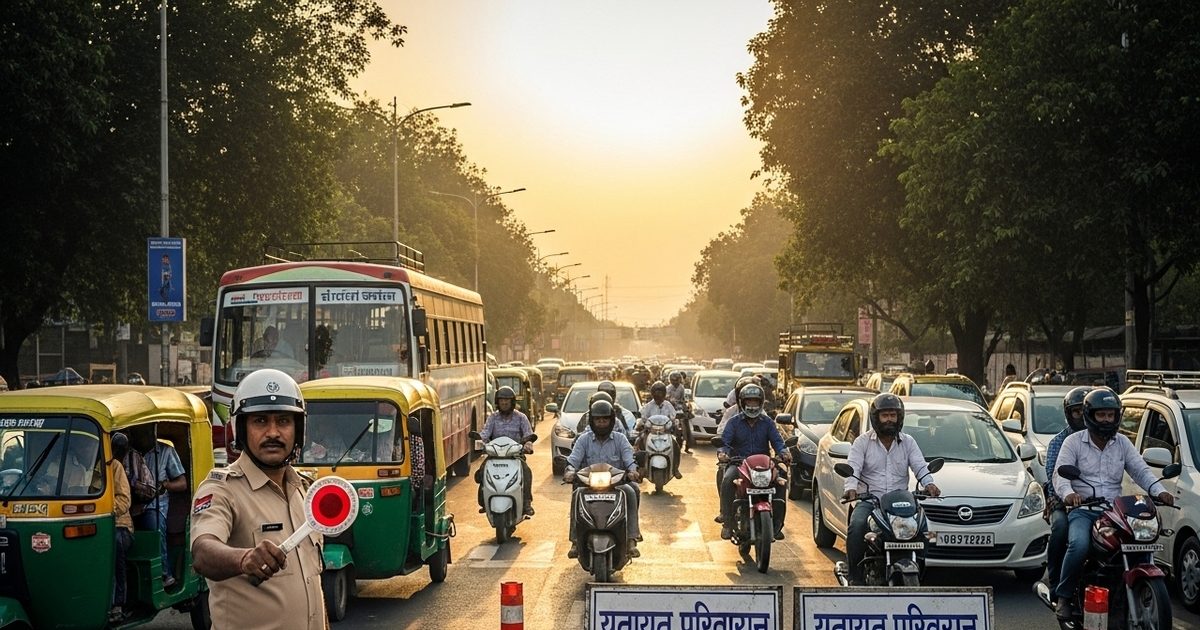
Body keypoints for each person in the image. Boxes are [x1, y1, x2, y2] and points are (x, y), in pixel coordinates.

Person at [191, 369, 326, 629]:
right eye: (260, 421)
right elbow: (203, 552)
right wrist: (244, 559)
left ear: (298, 429)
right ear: (240, 428)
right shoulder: (222, 490)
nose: (273, 432)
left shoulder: (303, 489)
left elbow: (312, 586)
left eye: (284, 421)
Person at [1051, 388, 1173, 620]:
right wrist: (1068, 494)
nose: (1107, 420)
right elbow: (1061, 475)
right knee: (1078, 545)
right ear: (1089, 415)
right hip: (1084, 510)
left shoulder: (1122, 443)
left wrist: (1160, 491)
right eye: (1101, 415)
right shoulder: (1073, 442)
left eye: (1111, 415)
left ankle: (1136, 589)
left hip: (1115, 511)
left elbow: (1141, 471)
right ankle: (1064, 596)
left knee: (1139, 542)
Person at [842, 393, 941, 585]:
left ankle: (919, 564)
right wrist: (851, 488)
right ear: (876, 418)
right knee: (856, 527)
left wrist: (929, 483)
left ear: (900, 417)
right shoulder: (862, 442)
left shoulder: (909, 442)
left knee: (926, 531)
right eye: (884, 415)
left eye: (893, 415)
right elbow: (853, 468)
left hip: (900, 504)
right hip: (871, 502)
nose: (889, 420)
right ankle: (854, 577)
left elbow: (920, 466)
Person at [565, 399, 642, 559]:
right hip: (588, 485)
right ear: (592, 421)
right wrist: (570, 471)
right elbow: (573, 460)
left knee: (632, 490)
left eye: (605, 419)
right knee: (576, 493)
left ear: (611, 420)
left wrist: (633, 471)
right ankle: (575, 540)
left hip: (617, 485)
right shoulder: (583, 440)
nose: (601, 423)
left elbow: (630, 459)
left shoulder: (620, 439)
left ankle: (631, 538)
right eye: (598, 420)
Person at [717, 383, 792, 540]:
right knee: (727, 479)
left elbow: (778, 442)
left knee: (782, 478)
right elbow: (725, 443)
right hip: (739, 463)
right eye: (749, 402)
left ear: (761, 403)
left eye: (755, 402)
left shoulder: (767, 422)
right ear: (742, 403)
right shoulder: (734, 422)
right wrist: (723, 453)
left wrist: (784, 453)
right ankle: (728, 523)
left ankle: (777, 523)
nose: (752, 405)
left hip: (764, 465)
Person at [1040, 386, 1090, 594]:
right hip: (1062, 502)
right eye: (1076, 412)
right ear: (1069, 414)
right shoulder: (1058, 442)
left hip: (1094, 502)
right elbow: (1054, 478)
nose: (1081, 416)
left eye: (1084, 411)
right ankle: (1055, 581)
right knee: (1060, 527)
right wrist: (1067, 497)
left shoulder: (1105, 439)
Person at [130, 424, 187, 589]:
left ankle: (164, 573)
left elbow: (182, 483)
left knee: (153, 524)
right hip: (130, 504)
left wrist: (165, 485)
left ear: (152, 432)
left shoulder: (166, 452)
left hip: (155, 505)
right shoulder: (130, 453)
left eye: (144, 431)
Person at [477, 386, 536, 516]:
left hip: (515, 456)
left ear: (512, 402)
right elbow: (485, 433)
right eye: (501, 400)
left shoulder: (521, 418)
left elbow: (528, 434)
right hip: (495, 456)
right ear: (497, 402)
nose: (504, 403)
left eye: (507, 400)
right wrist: (480, 441)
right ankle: (484, 501)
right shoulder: (493, 418)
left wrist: (528, 444)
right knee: (481, 472)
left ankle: (526, 502)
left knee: (526, 472)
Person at [109, 433, 134, 624]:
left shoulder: (113, 466)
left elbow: (124, 500)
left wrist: (105, 511)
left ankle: (118, 604)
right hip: (86, 523)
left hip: (119, 525)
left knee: (114, 545)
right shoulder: (71, 466)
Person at [638, 381, 681, 479]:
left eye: (660, 392)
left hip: (666, 433)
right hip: (650, 433)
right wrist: (643, 424)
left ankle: (675, 468)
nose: (658, 394)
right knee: (639, 442)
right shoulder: (648, 406)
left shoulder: (668, 405)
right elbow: (643, 417)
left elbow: (673, 417)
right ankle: (641, 469)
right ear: (652, 393)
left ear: (664, 393)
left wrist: (674, 423)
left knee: (676, 446)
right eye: (656, 392)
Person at [665, 371, 693, 453]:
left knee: (686, 426)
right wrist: (671, 401)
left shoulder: (681, 388)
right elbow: (667, 399)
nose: (675, 382)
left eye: (677, 380)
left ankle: (687, 445)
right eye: (673, 380)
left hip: (681, 409)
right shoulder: (668, 388)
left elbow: (684, 399)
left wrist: (686, 406)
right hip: (671, 409)